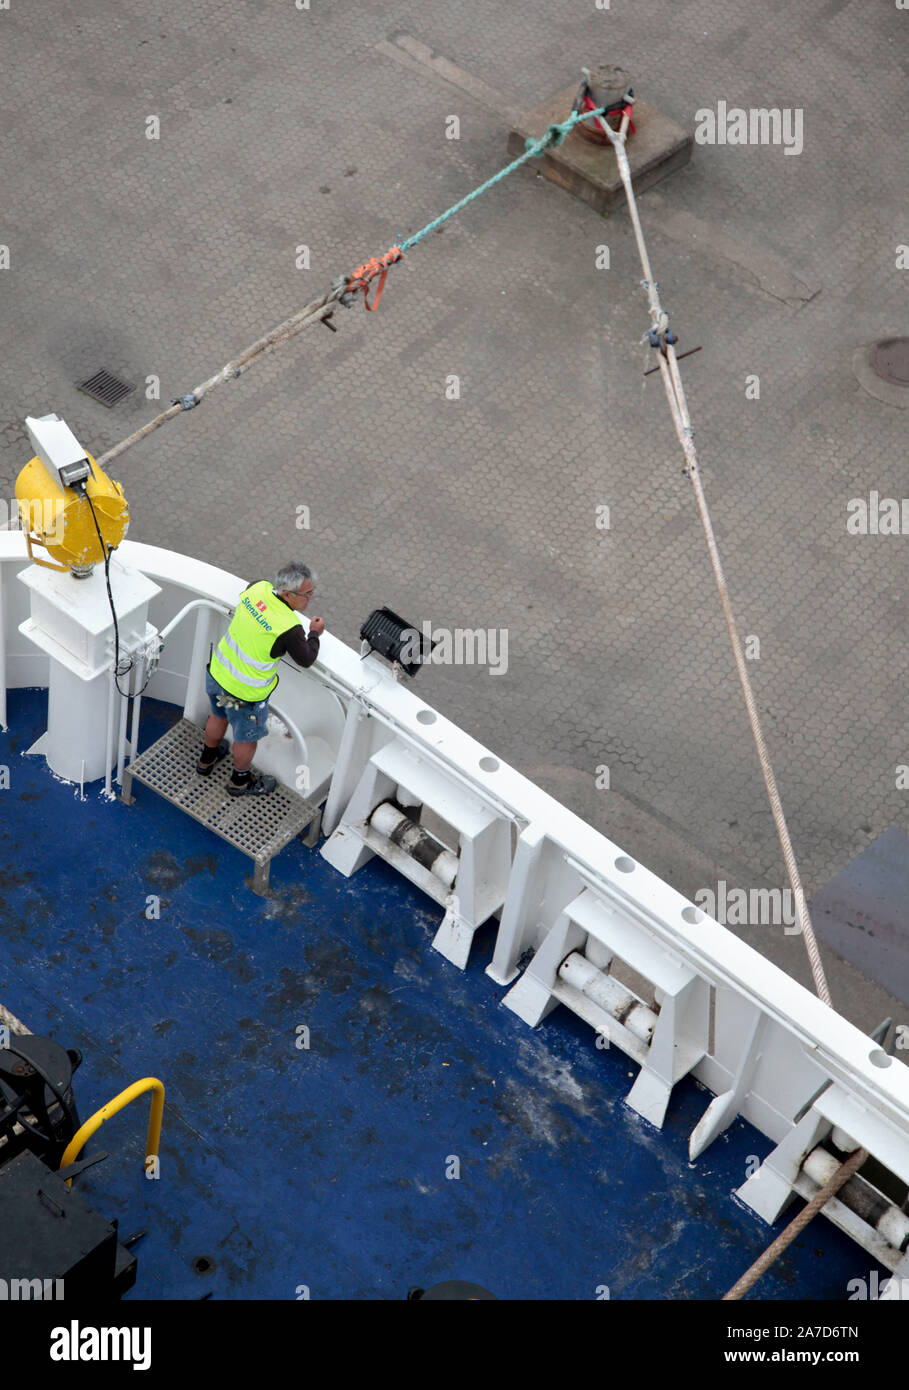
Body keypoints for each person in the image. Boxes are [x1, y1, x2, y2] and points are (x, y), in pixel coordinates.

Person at [197, 561, 324, 796]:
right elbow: (306, 659)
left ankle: (206, 761)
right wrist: (315, 633)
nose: (311, 598)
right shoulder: (290, 627)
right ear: (288, 594)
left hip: (218, 678)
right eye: (307, 594)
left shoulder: (258, 588)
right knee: (245, 739)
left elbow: (255, 610)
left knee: (218, 715)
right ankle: (239, 782)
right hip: (244, 697)